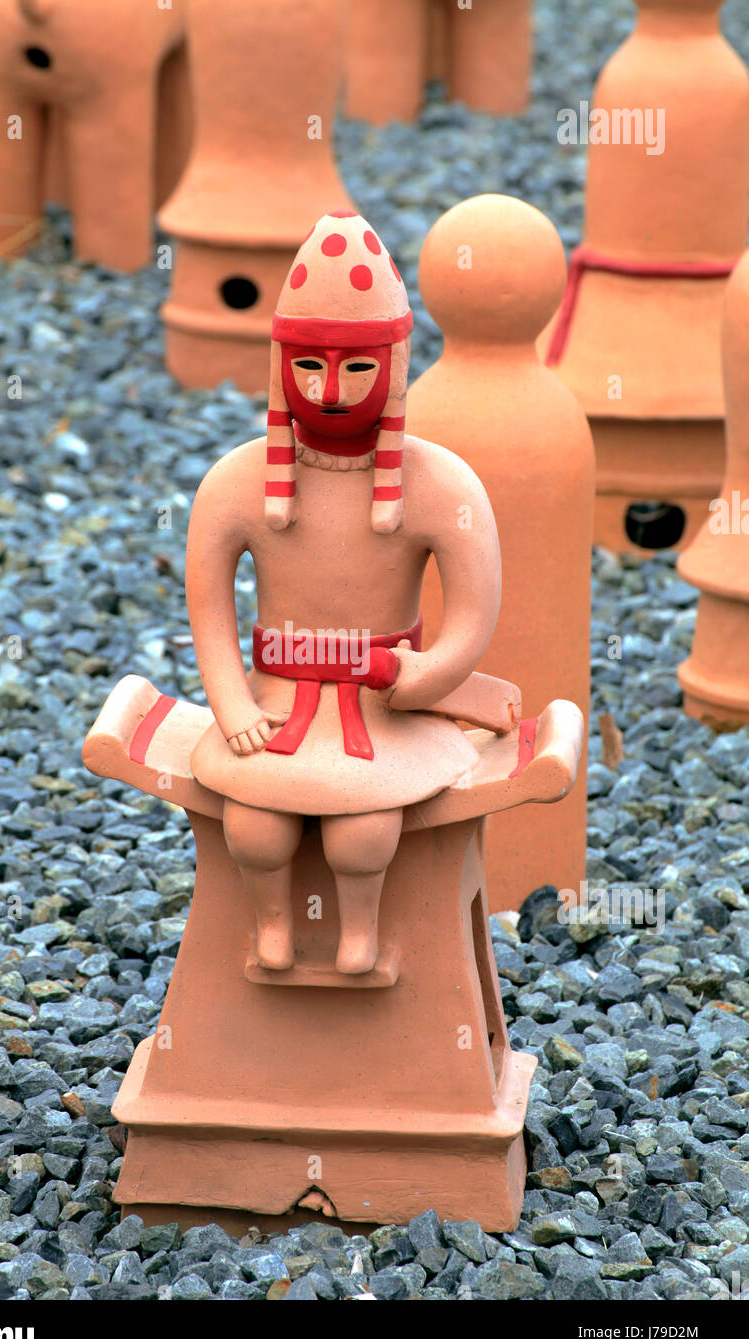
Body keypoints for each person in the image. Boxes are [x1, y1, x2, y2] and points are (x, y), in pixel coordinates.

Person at [186, 211, 501, 974]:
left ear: (392, 366)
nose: (329, 390)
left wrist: (432, 673)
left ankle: (360, 934)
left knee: (364, 831)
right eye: (310, 366)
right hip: (271, 699)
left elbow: (475, 607)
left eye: (357, 367)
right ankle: (271, 929)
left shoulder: (441, 486)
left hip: (380, 703)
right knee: (256, 825)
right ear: (279, 363)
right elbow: (209, 603)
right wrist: (229, 701)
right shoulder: (235, 483)